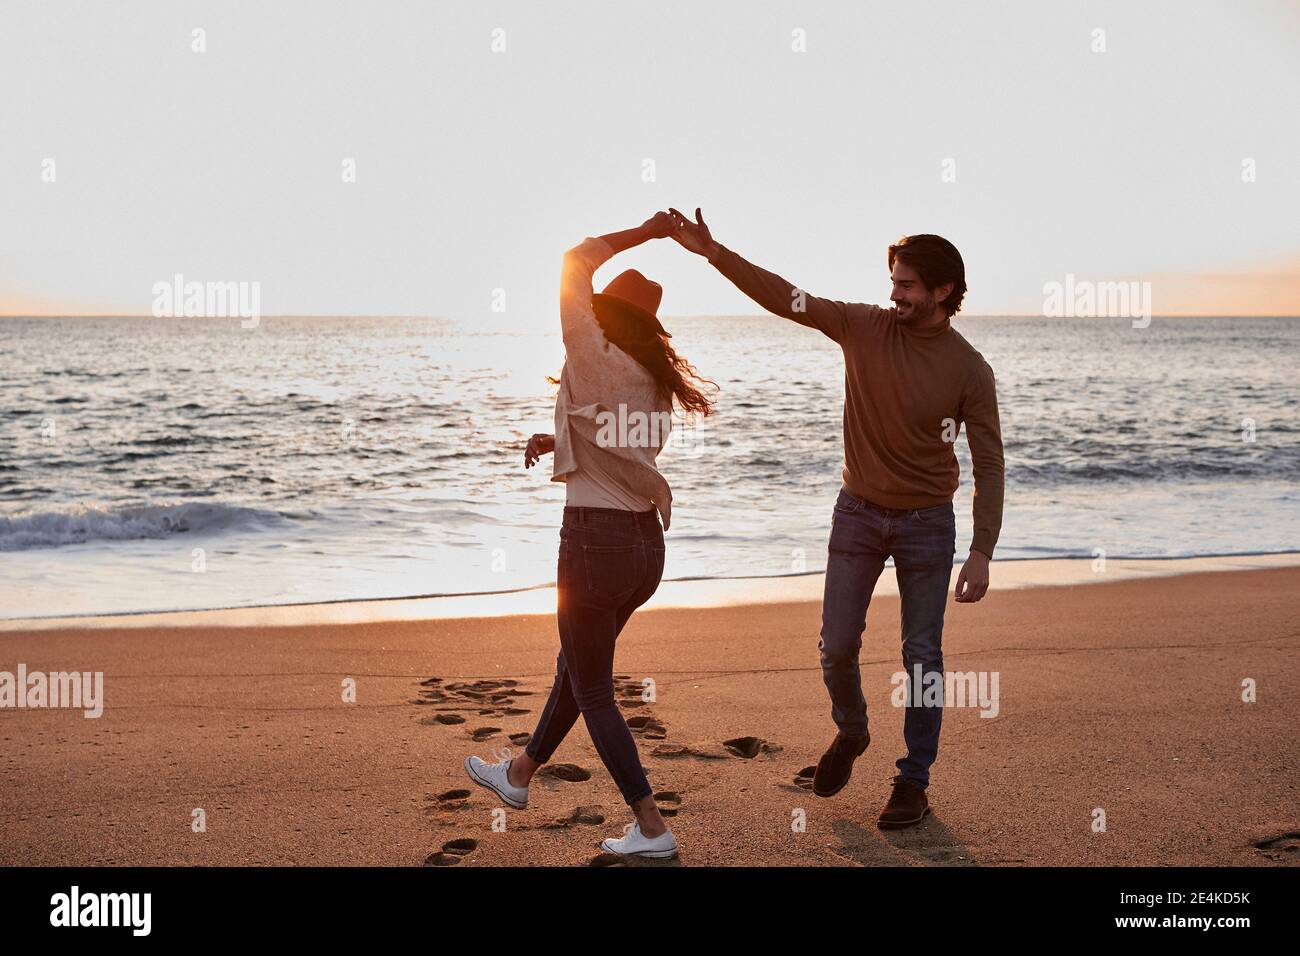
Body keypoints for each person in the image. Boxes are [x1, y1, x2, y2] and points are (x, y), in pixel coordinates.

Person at [667, 207, 1004, 829]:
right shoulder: (860, 325)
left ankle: (913, 782)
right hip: (857, 513)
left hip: (928, 523)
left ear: (943, 291)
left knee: (922, 657)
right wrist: (714, 254)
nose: (894, 294)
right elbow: (785, 298)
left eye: (906, 285)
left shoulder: (969, 369)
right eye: (893, 282)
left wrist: (982, 549)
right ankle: (852, 732)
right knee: (836, 646)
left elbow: (989, 462)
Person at [464, 212, 716, 858]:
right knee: (577, 669)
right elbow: (622, 447)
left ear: (606, 314)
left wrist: (649, 229)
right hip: (644, 550)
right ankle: (519, 775)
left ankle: (652, 826)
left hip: (593, 545)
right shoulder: (656, 383)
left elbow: (575, 257)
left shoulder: (591, 346)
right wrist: (559, 438)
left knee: (595, 689)